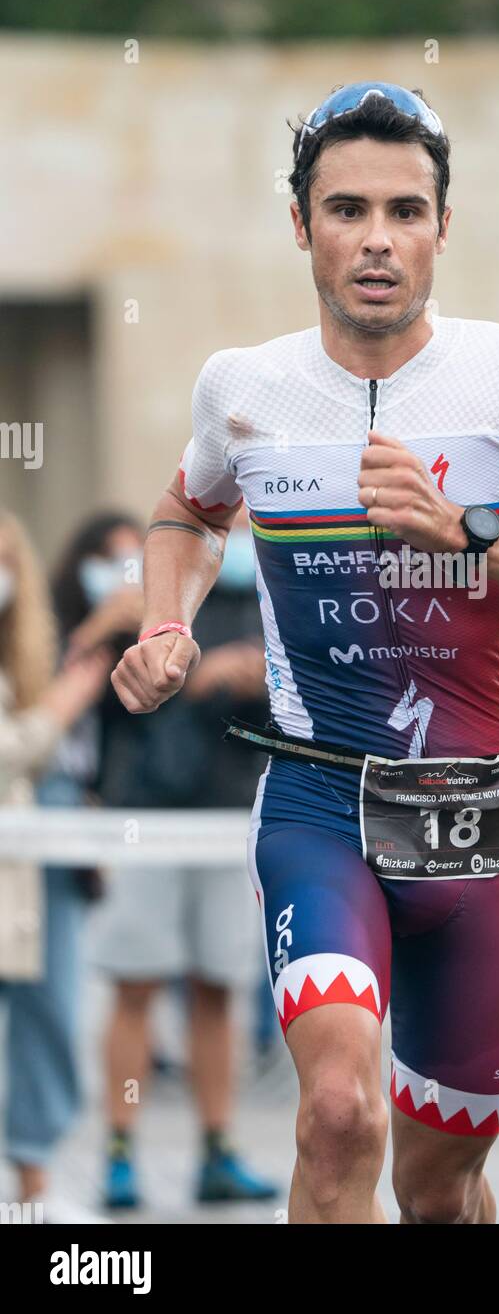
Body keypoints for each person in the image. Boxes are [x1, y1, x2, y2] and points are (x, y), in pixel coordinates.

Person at [110, 82, 499, 1224]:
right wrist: (164, 622)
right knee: (335, 1118)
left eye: (404, 211)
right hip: (318, 807)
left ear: (441, 228)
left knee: (437, 1189)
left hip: (484, 821)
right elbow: (184, 514)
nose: (375, 240)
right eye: (345, 209)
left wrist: (469, 530)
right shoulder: (244, 387)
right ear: (300, 225)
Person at [70, 510, 276, 1209]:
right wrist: (197, 672)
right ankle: (121, 1154)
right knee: (135, 983)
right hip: (148, 814)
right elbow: (112, 696)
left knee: (219, 984)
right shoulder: (160, 588)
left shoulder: (272, 591)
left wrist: (262, 679)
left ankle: (218, 1149)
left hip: (232, 812)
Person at [0, 508, 112, 1223]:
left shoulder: (35, 653)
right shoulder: (54, 688)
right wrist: (61, 712)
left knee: (51, 1018)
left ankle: (35, 1178)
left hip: (43, 866)